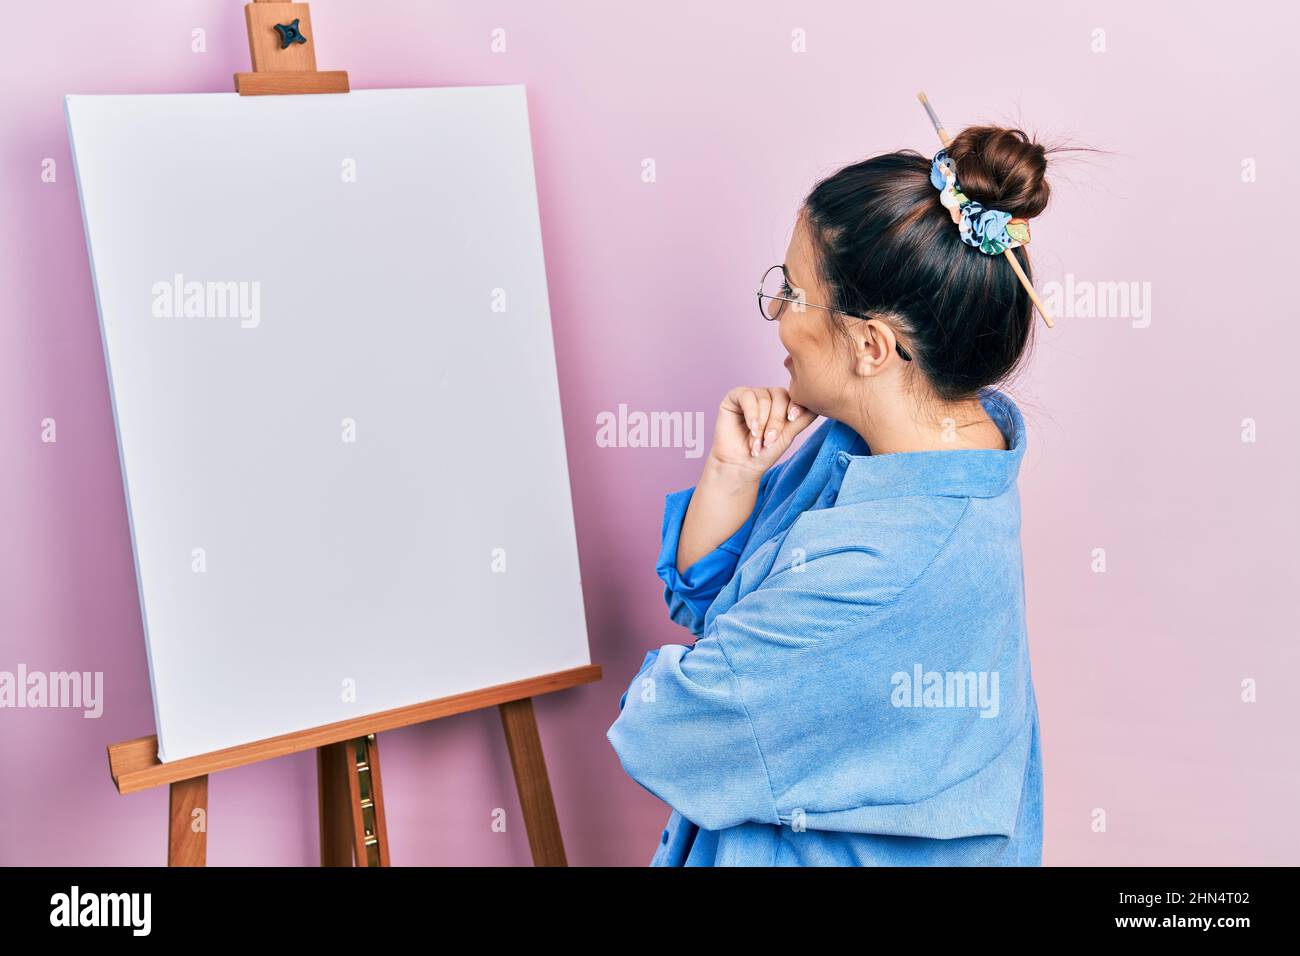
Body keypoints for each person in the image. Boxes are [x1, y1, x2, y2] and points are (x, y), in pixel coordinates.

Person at [606, 125, 1053, 865]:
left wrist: (695, 671)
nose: (778, 313)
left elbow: (664, 731)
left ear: (872, 346)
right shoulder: (886, 448)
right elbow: (704, 601)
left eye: (793, 291)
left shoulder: (892, 562)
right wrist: (732, 477)